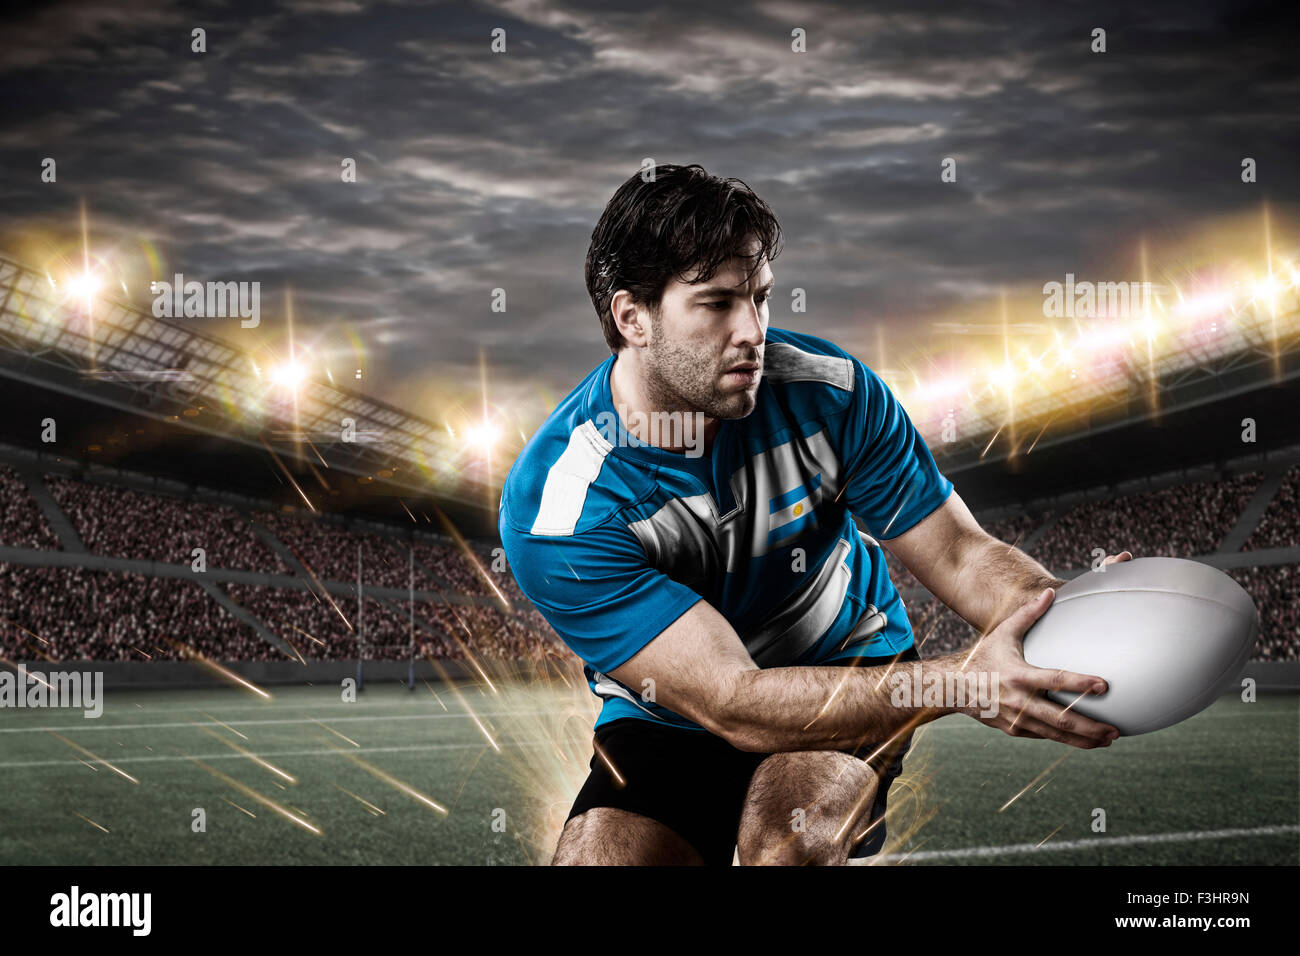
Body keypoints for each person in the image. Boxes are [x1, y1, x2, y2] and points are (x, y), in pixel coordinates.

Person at [499, 164, 1125, 866]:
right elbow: (731, 699)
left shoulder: (833, 394)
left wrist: (1068, 619)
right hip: (678, 708)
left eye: (760, 298)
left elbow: (957, 552)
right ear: (631, 317)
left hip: (845, 658)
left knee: (787, 847)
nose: (753, 332)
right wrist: (964, 681)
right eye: (716, 304)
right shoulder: (557, 510)